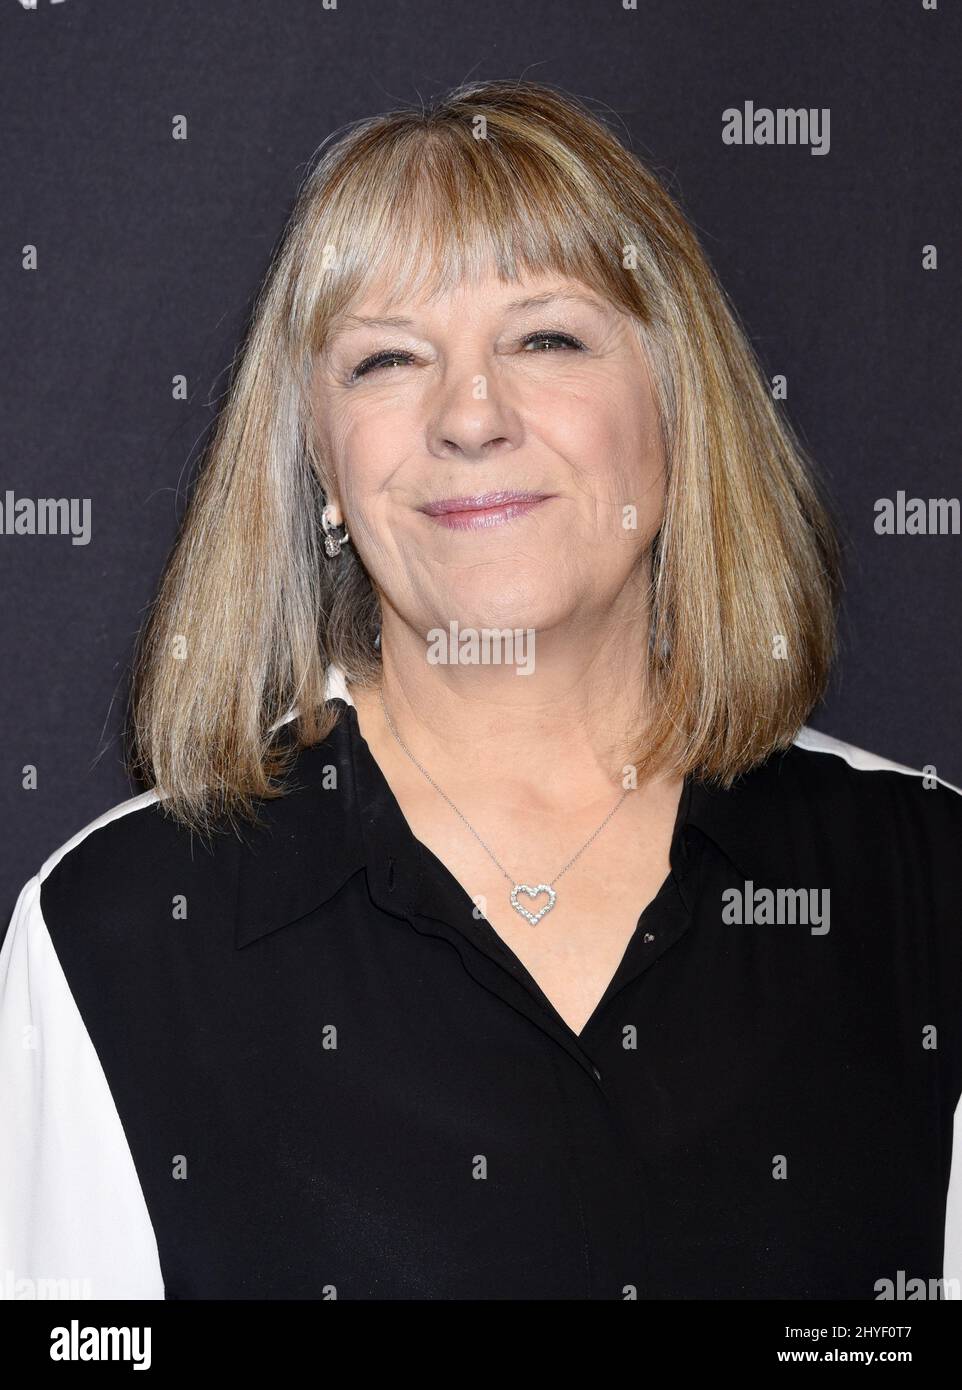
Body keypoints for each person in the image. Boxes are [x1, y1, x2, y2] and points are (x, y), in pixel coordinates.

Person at [2, 78, 960, 1301]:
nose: (470, 414)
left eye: (545, 337)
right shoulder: (115, 937)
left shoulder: (925, 889)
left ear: (677, 409)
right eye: (388, 357)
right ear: (322, 467)